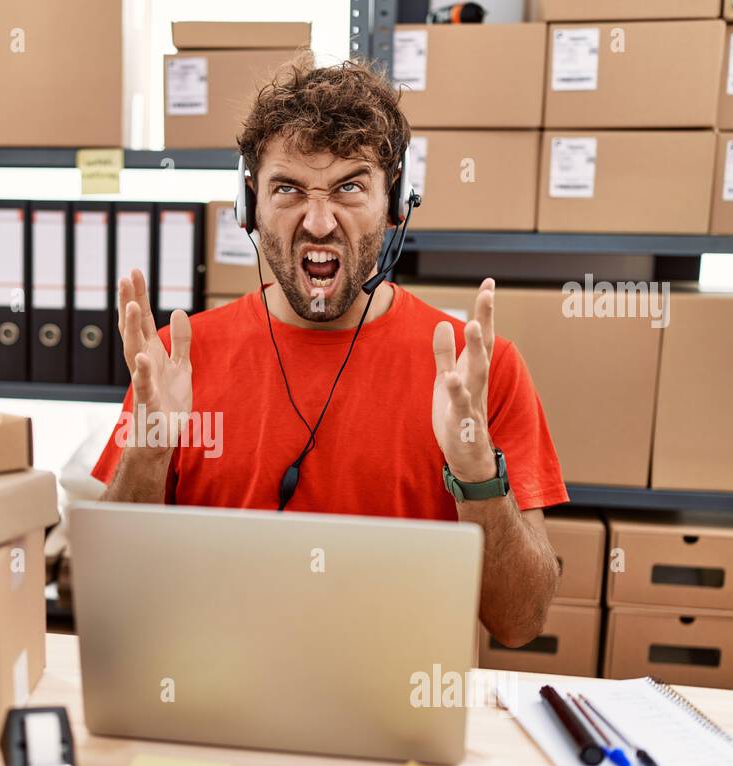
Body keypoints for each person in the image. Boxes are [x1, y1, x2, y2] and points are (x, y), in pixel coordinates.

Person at [92, 59, 567, 647]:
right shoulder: (176, 363)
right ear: (250, 208)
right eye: (288, 189)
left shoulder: (473, 376)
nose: (318, 222)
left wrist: (474, 474)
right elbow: (115, 594)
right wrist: (148, 453)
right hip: (214, 707)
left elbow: (520, 624)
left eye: (350, 186)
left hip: (402, 717)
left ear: (395, 204)